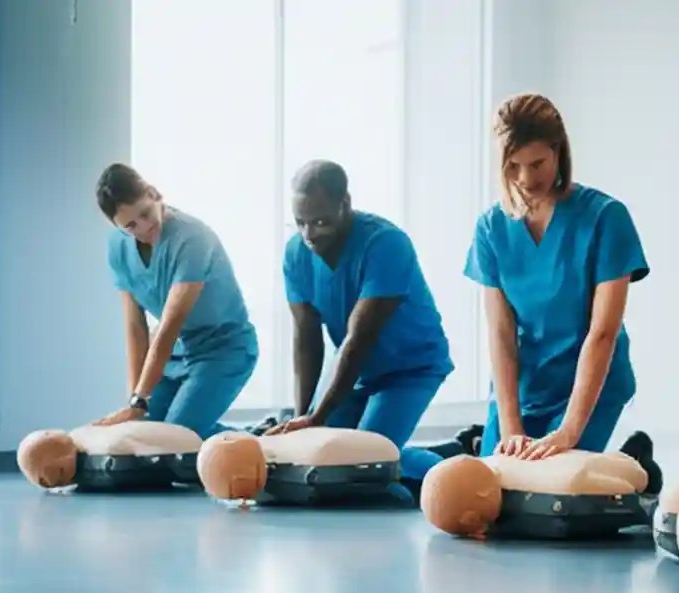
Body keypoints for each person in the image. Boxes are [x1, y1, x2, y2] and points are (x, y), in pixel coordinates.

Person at [408, 93, 662, 491]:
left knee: (551, 487)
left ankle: (635, 463)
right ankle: (478, 441)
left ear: (559, 152)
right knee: (487, 489)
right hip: (526, 385)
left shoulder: (606, 218)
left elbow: (602, 334)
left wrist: (569, 430)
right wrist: (510, 427)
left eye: (537, 163)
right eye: (513, 166)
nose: (526, 178)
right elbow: (501, 335)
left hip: (590, 384)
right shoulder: (491, 227)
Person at [266, 160, 455, 497]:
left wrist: (319, 416)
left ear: (346, 204)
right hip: (353, 370)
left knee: (361, 468)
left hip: (410, 368)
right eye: (300, 223)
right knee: (319, 462)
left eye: (321, 222)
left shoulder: (386, 244)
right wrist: (303, 419)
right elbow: (307, 338)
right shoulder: (296, 253)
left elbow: (359, 338)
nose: (310, 235)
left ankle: (453, 465)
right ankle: (403, 458)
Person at [91, 163, 258, 438]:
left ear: (154, 193)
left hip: (224, 350)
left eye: (145, 213)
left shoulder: (192, 238)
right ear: (117, 227)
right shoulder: (118, 246)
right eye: (131, 225)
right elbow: (135, 327)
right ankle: (244, 435)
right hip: (175, 353)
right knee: (144, 436)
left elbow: (170, 324)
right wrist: (136, 404)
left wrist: (141, 400)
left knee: (173, 442)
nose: (144, 228)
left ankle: (259, 438)